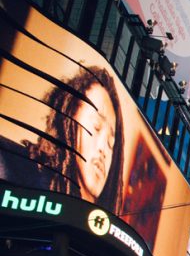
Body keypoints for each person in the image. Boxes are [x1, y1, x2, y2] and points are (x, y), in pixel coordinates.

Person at [30, 66, 125, 211]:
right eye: (96, 127)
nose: (103, 148)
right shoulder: (17, 171)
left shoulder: (101, 224)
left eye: (110, 143)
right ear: (68, 120)